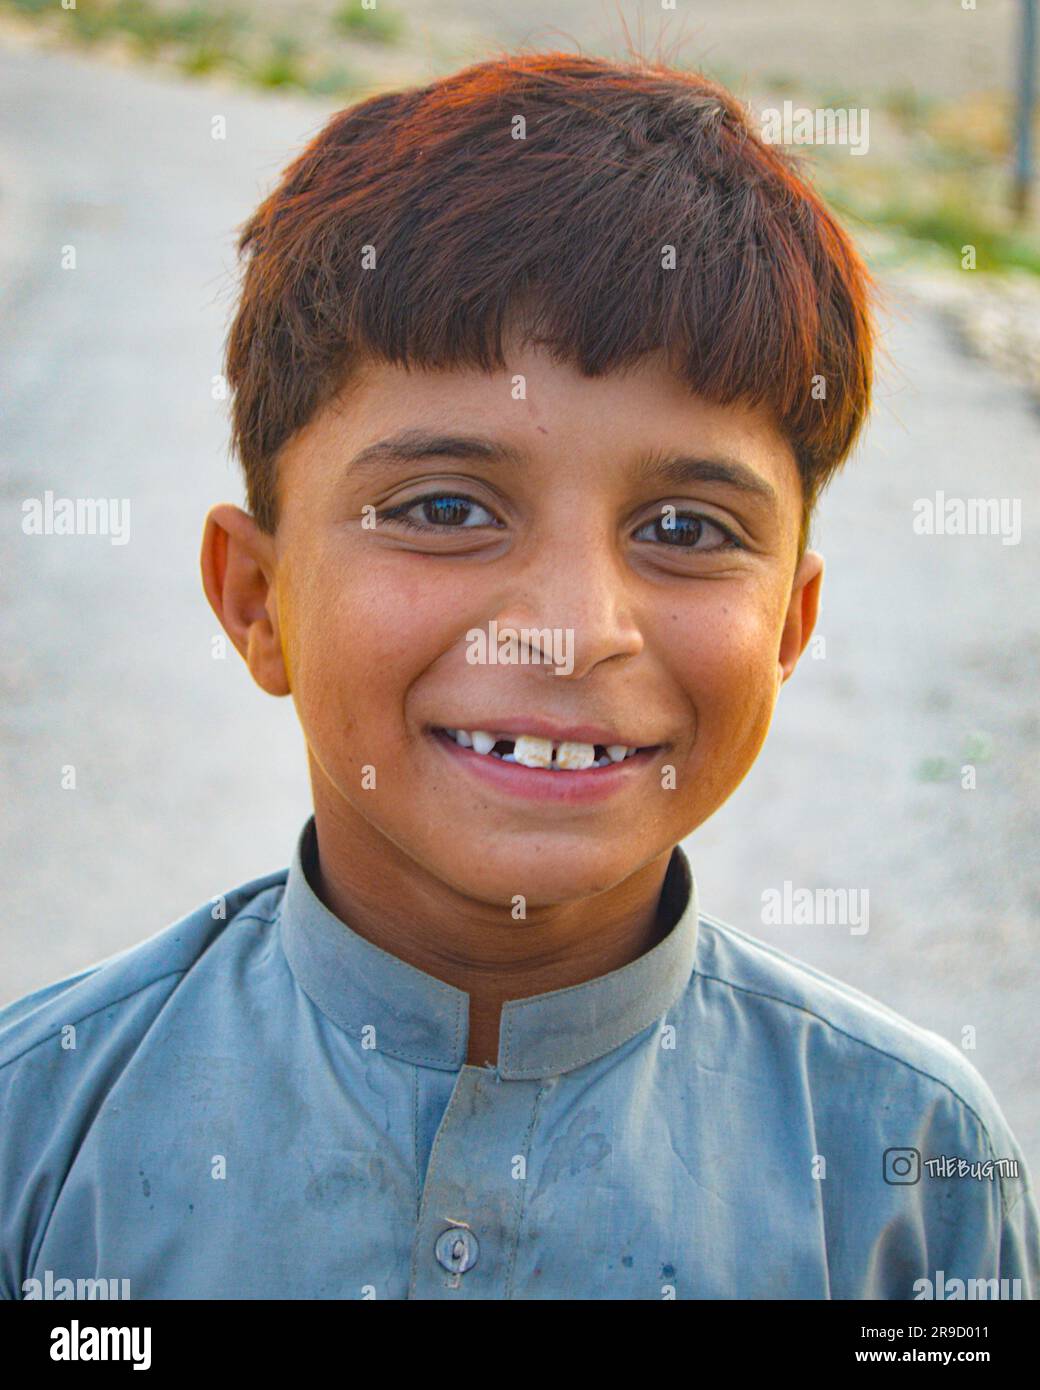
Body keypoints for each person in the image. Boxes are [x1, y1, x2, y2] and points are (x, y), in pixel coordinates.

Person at [2, 51, 1036, 1300]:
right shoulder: (45, 1137)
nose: (568, 630)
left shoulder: (905, 1182)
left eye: (684, 530)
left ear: (788, 625)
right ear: (255, 599)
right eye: (442, 505)